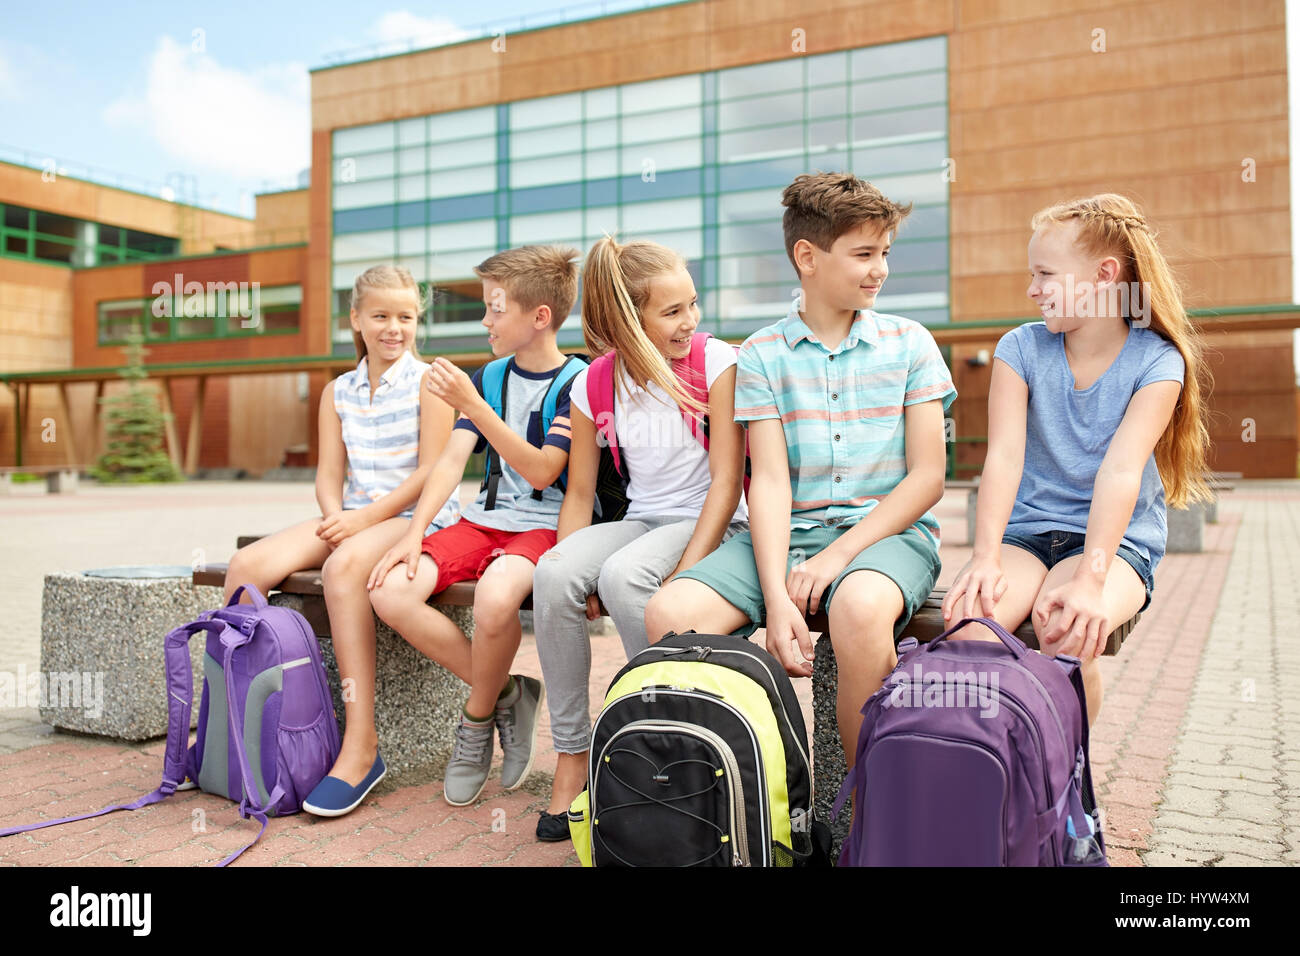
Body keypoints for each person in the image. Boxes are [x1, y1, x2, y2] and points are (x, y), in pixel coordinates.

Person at [645, 170, 956, 781]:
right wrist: (779, 598)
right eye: (864, 254)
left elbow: (927, 480)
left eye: (884, 253)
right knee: (670, 613)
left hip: (887, 538)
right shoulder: (761, 353)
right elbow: (770, 484)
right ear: (806, 257)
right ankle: (761, 794)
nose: (880, 269)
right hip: (791, 536)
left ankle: (870, 814)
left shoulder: (911, 344)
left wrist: (835, 557)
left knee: (861, 611)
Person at [942, 194, 1211, 724]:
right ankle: (991, 774)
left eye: (1045, 273)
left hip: (1111, 545)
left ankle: (1070, 790)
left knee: (1064, 634)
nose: (1031, 288)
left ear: (1105, 275)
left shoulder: (1158, 362)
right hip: (1027, 535)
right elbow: (1004, 458)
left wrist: (1090, 580)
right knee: (971, 631)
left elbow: (1120, 470)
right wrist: (985, 556)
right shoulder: (1019, 349)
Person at [530, 236, 748, 841]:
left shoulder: (715, 363)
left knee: (627, 578)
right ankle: (574, 753)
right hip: (645, 520)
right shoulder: (592, 385)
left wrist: (689, 568)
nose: (690, 321)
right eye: (672, 311)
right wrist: (571, 564)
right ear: (630, 319)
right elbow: (578, 495)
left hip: (714, 519)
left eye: (691, 305)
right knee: (550, 573)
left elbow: (728, 480)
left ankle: (663, 741)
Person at [223, 264, 461, 817]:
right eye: (380, 316)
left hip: (418, 519)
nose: (393, 328)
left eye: (406, 316)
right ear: (355, 319)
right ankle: (239, 728)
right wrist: (337, 520)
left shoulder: (432, 383)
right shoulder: (337, 391)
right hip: (355, 517)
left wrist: (356, 527)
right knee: (244, 567)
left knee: (342, 569)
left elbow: (431, 473)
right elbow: (329, 475)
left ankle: (361, 747)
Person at [366, 245, 582, 808]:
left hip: (542, 528)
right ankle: (510, 693)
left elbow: (542, 469)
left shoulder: (577, 382)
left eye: (494, 309)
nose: (485, 321)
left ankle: (474, 721)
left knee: (493, 600)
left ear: (540, 317)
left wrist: (473, 404)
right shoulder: (488, 377)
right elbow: (450, 462)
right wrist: (413, 532)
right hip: (481, 522)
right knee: (390, 591)